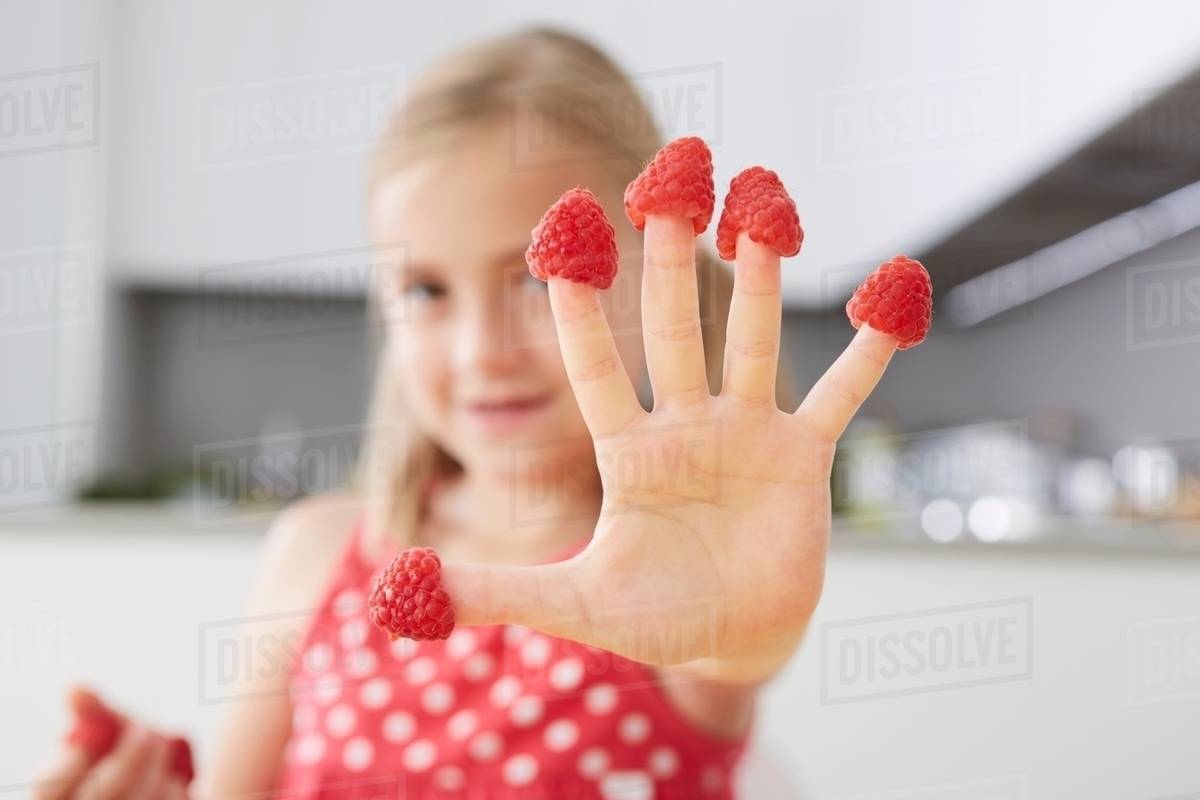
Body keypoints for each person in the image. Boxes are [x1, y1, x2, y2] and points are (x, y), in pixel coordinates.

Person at [35, 27, 902, 799]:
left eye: (533, 279)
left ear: (663, 274)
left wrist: (741, 623)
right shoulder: (315, 555)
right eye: (425, 289)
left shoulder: (667, 569)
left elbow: (728, 640)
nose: (481, 350)